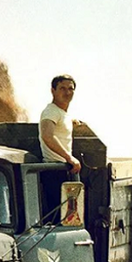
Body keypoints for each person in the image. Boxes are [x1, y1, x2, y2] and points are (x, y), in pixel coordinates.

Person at [38, 74, 80, 221]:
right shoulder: (51, 111)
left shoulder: (61, 113)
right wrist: (69, 158)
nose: (67, 92)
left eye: (70, 89)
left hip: (62, 170)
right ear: (53, 91)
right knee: (58, 219)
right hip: (54, 171)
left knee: (66, 217)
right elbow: (47, 135)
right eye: (62, 88)